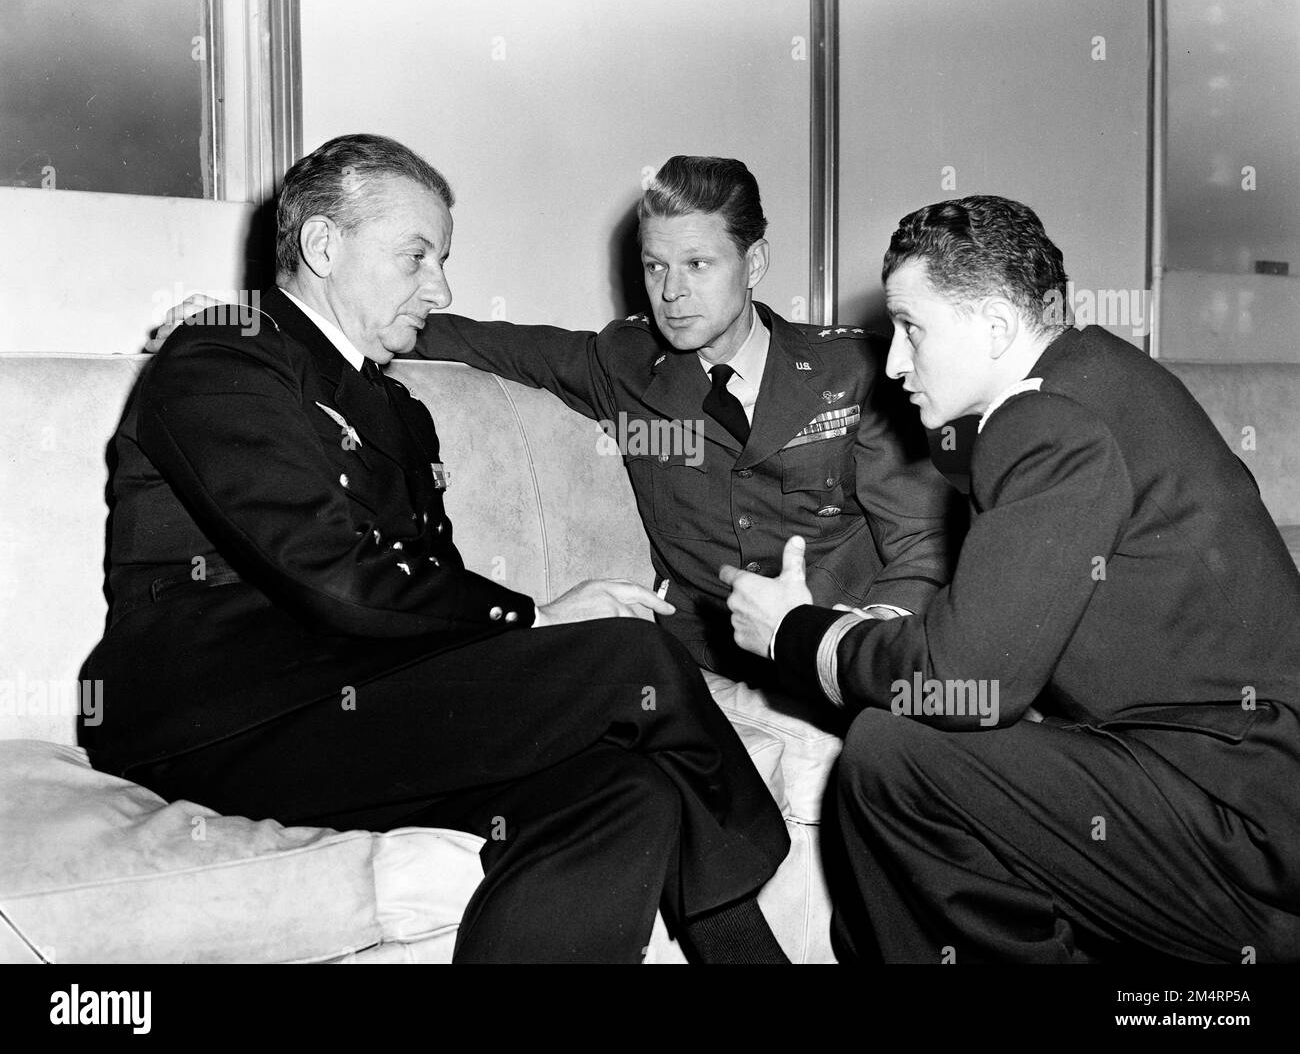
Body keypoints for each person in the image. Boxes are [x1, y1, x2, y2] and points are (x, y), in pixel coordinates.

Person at [82, 133, 792, 964]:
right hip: (219, 721)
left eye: (442, 259)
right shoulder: (222, 353)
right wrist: (534, 619)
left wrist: (532, 631)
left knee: (625, 792)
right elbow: (334, 574)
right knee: (635, 659)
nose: (441, 285)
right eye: (416, 256)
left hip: (355, 709)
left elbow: (427, 596)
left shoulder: (397, 410)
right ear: (322, 245)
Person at [722, 195, 1300, 963]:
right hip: (1239, 803)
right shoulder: (1094, 377)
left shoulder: (1042, 423)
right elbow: (993, 648)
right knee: (884, 867)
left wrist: (800, 634)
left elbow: (970, 680)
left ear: (996, 326)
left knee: (892, 754)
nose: (893, 364)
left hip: (1244, 841)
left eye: (911, 328)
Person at [413, 155, 958, 687]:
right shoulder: (625, 362)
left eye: (698, 264)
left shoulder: (856, 370)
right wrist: (375, 318)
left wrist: (858, 646)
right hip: (710, 661)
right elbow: (491, 342)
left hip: (843, 645)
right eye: (656, 266)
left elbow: (920, 542)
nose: (672, 293)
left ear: (754, 263)